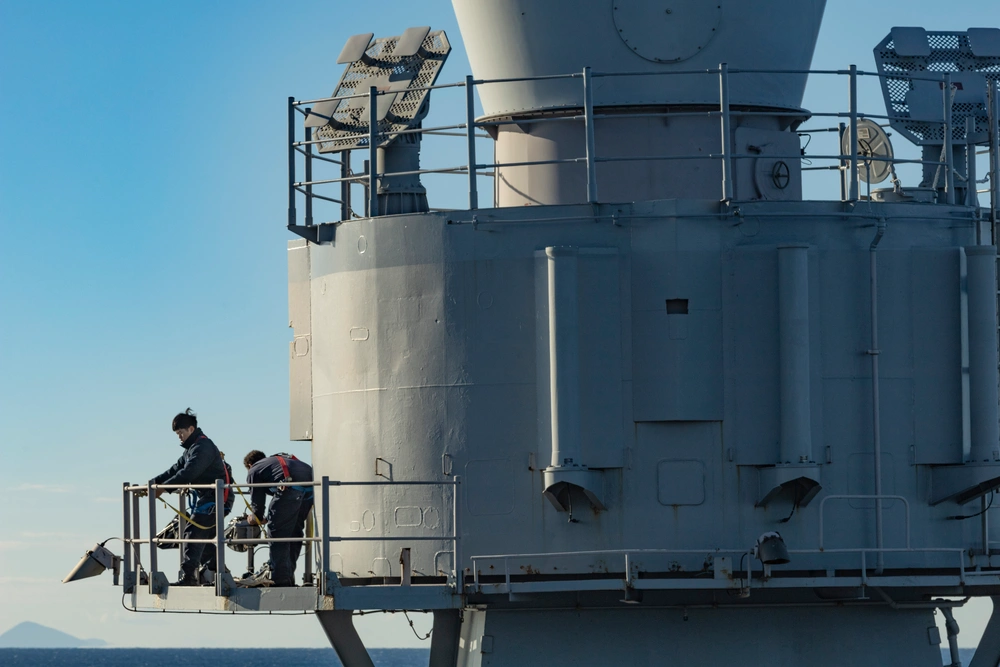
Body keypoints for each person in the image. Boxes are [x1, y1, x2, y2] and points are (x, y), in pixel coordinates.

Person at [149, 409, 228, 586]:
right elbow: (175, 469)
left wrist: (163, 488)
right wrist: (153, 484)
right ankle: (220, 570)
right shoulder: (192, 449)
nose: (179, 437)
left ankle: (188, 578)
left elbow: (189, 472)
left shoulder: (203, 447)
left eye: (181, 433)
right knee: (203, 539)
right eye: (177, 434)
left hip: (215, 499)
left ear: (191, 429)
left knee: (192, 534)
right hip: (209, 499)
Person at [241, 450, 313, 587]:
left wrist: (255, 518)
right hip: (310, 490)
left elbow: (257, 502)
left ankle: (280, 580)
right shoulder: (275, 463)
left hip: (289, 488)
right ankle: (288, 577)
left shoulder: (254, 470)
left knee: (277, 533)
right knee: (294, 533)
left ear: (250, 465)